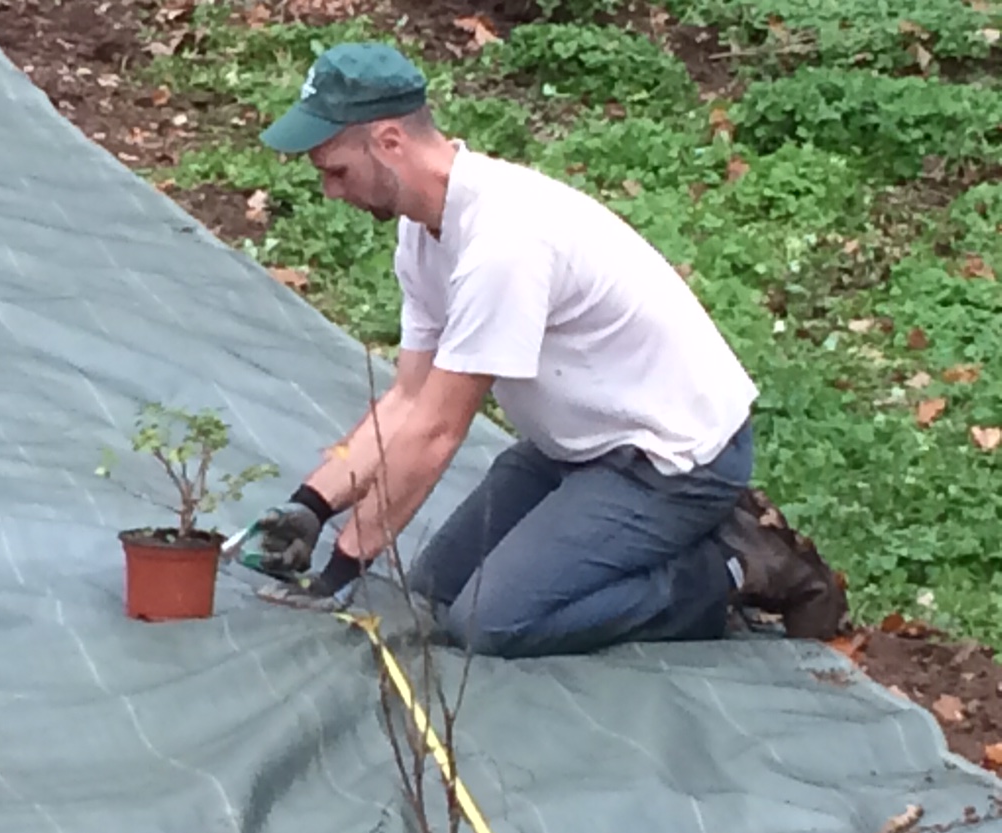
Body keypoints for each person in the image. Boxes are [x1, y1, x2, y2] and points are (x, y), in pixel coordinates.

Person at [246, 41, 847, 656]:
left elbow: (435, 431)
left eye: (336, 170)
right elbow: (407, 398)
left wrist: (339, 573)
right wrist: (311, 508)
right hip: (576, 447)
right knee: (432, 590)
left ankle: (729, 569)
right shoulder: (423, 234)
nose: (329, 191)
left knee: (487, 623)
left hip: (670, 462)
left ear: (389, 141)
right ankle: (632, 543)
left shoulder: (504, 244)